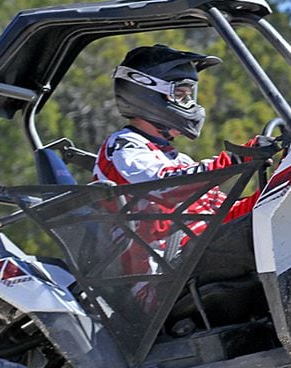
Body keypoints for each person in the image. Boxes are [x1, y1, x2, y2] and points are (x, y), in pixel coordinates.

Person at [94, 43, 269, 253]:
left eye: (190, 96)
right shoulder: (124, 146)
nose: (191, 106)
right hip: (163, 271)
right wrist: (238, 159)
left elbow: (225, 216)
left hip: (198, 262)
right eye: (181, 95)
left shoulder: (179, 161)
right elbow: (164, 187)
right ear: (145, 93)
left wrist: (281, 185)